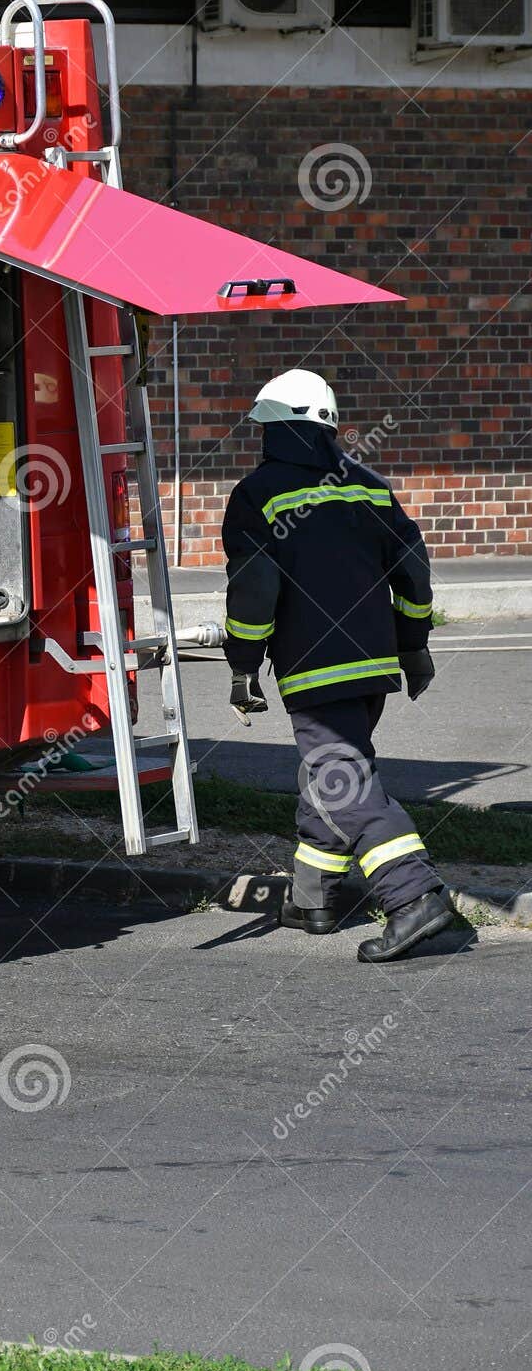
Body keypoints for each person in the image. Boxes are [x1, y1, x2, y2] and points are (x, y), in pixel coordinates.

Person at [220, 369, 453, 963]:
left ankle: (413, 895)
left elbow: (254, 590)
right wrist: (413, 644)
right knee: (333, 771)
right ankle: (313, 897)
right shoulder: (371, 485)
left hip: (313, 666)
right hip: (374, 664)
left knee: (341, 778)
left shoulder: (258, 493)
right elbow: (414, 572)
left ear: (270, 429)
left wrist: (243, 663)